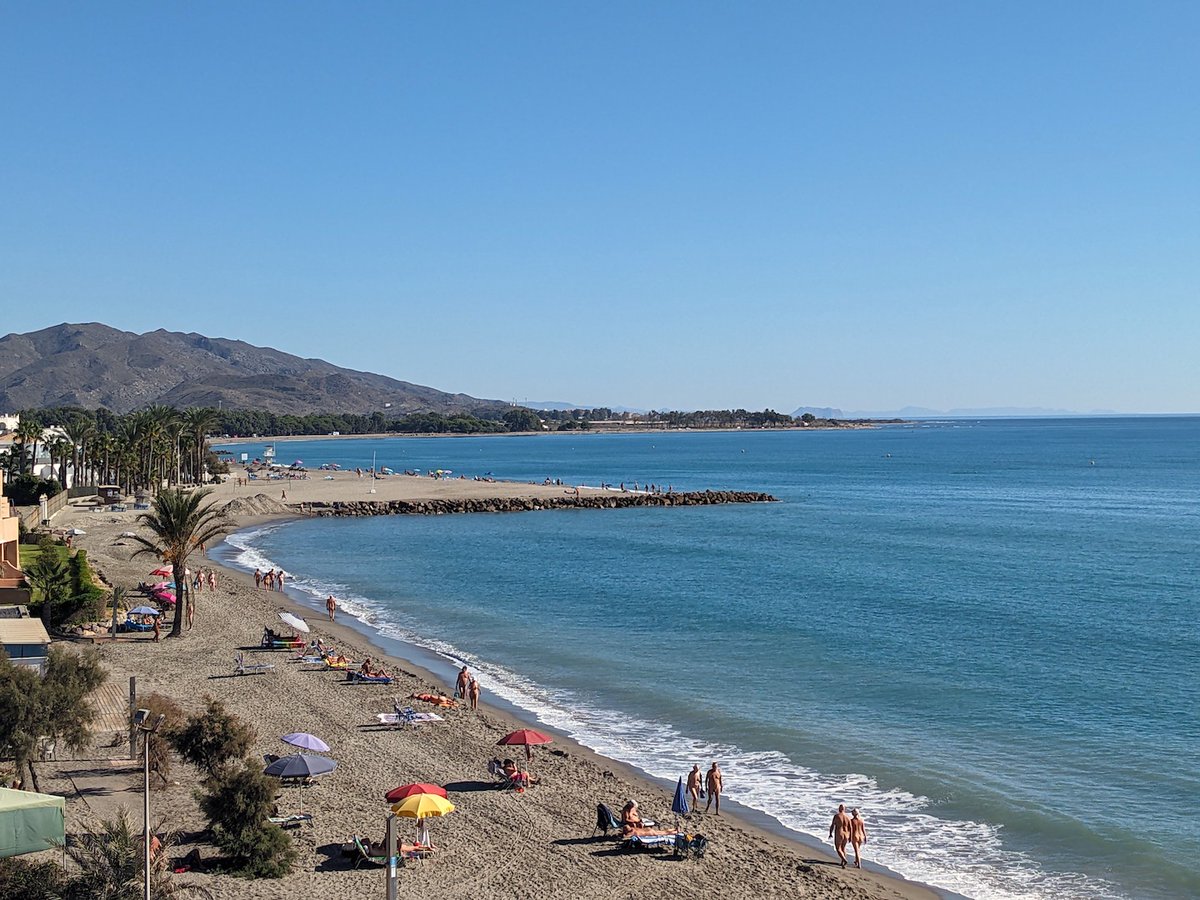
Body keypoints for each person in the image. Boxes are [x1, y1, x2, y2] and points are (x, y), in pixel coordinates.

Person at [829, 803, 852, 868]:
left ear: (839, 809)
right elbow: (850, 828)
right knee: (843, 848)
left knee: (838, 848)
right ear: (844, 809)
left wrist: (830, 833)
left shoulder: (837, 816)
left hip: (839, 833)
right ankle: (842, 862)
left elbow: (832, 825)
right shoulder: (848, 817)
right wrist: (850, 836)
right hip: (846, 834)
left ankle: (844, 860)